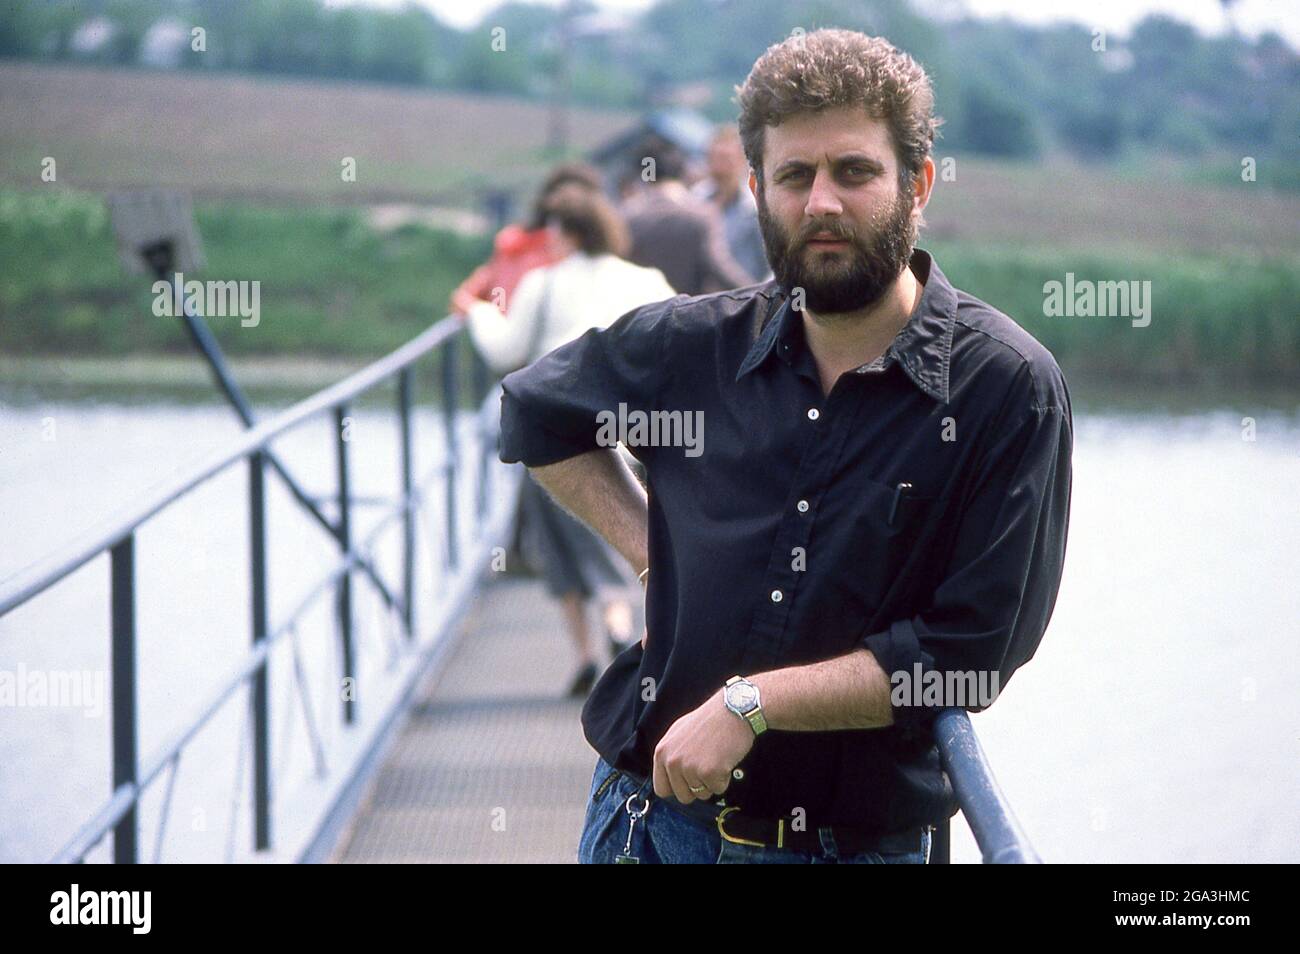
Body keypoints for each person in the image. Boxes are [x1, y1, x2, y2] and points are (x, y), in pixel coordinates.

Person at [498, 28, 1073, 863]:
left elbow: (968, 658)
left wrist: (751, 704)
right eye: (795, 176)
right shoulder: (692, 348)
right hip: (644, 828)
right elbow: (534, 416)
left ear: (918, 186)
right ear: (759, 190)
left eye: (855, 172)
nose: (822, 204)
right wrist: (650, 551)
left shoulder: (1005, 388)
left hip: (852, 848)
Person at [458, 189, 677, 697]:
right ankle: (628, 627)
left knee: (563, 545)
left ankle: (585, 652)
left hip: (558, 430)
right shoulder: (646, 280)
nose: (548, 240)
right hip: (637, 433)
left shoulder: (545, 282)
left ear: (572, 233)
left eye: (555, 231)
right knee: (635, 532)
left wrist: (474, 310)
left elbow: (505, 349)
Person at [448, 162, 604, 317]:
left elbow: (492, 292)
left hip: (505, 333)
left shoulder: (513, 242)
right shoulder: (571, 254)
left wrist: (491, 313)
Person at [618, 137, 753, 296]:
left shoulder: (626, 216)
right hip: (688, 312)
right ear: (681, 170)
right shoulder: (702, 215)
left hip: (641, 311)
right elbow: (721, 270)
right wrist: (759, 296)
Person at [691, 125, 772, 284]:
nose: (720, 166)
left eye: (726, 158)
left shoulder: (755, 207)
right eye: (714, 157)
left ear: (742, 161)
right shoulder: (695, 200)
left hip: (746, 295)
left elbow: (769, 262)